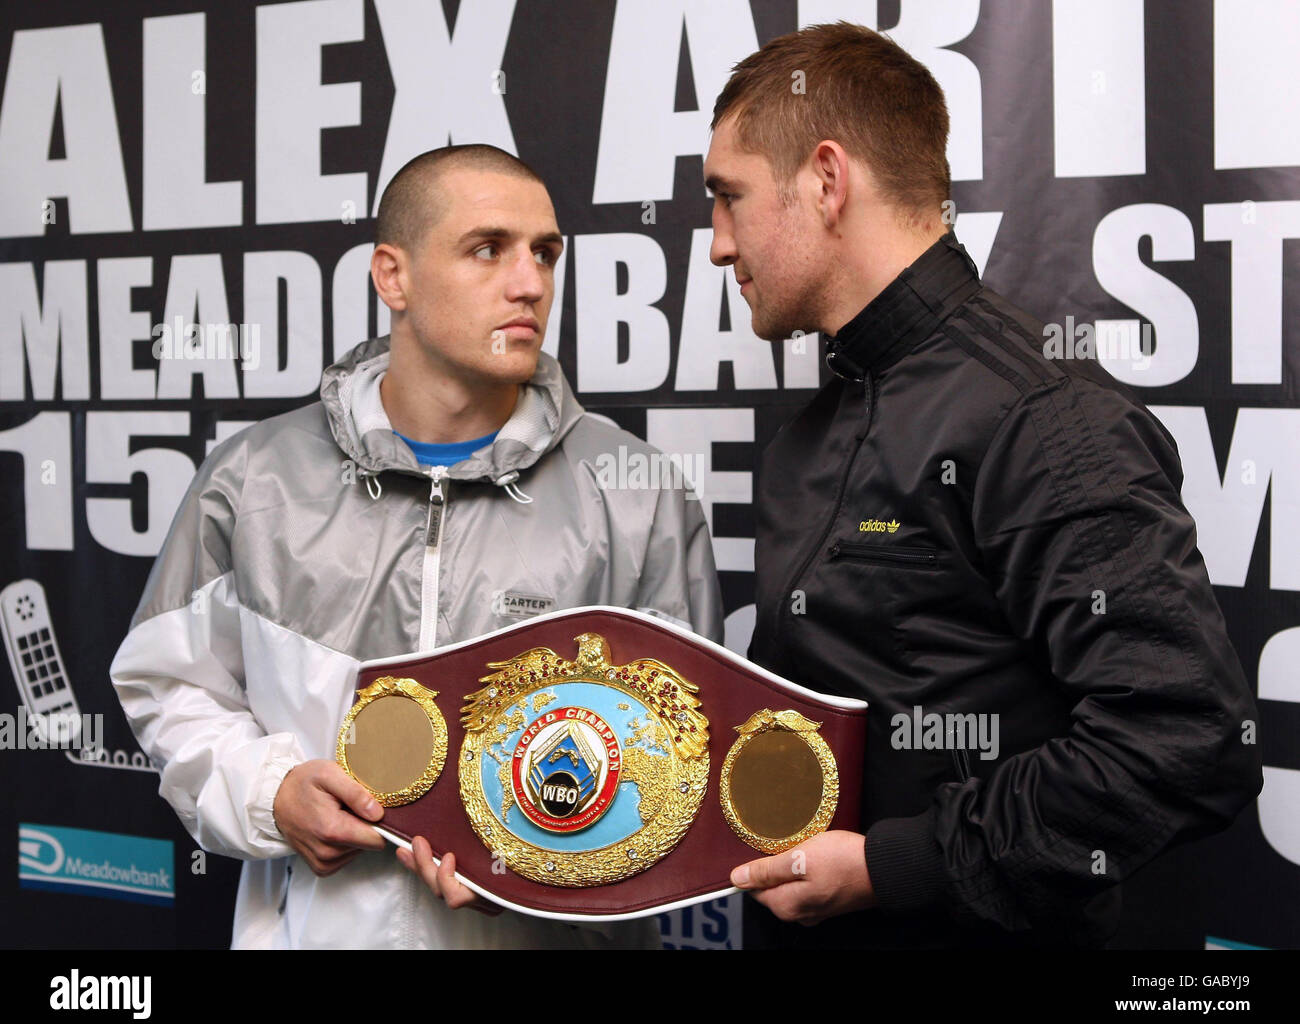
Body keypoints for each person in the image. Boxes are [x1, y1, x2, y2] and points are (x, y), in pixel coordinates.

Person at [703, 22, 1262, 947]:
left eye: (729, 197)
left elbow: (1184, 736)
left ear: (827, 180)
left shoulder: (1041, 416)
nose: (719, 245)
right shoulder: (812, 427)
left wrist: (898, 866)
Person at [109, 144, 724, 949]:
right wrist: (269, 792)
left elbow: (687, 752)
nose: (530, 282)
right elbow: (169, 687)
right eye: (487, 248)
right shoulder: (254, 479)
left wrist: (553, 869)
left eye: (544, 252)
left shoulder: (638, 492)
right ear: (392, 277)